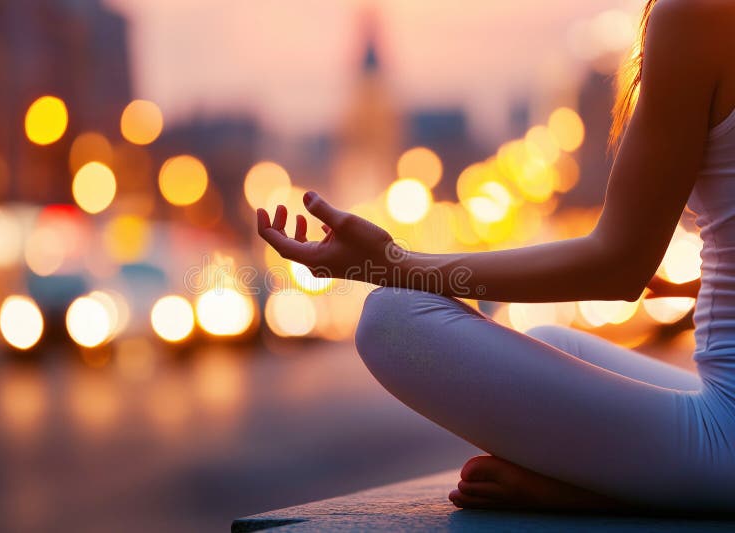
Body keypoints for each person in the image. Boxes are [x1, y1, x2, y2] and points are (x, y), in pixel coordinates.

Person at [257, 0, 735, 511]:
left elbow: (617, 268)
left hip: (725, 443)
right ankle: (617, 480)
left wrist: (391, 262)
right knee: (553, 342)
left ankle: (603, 493)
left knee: (391, 319)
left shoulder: (698, 14)